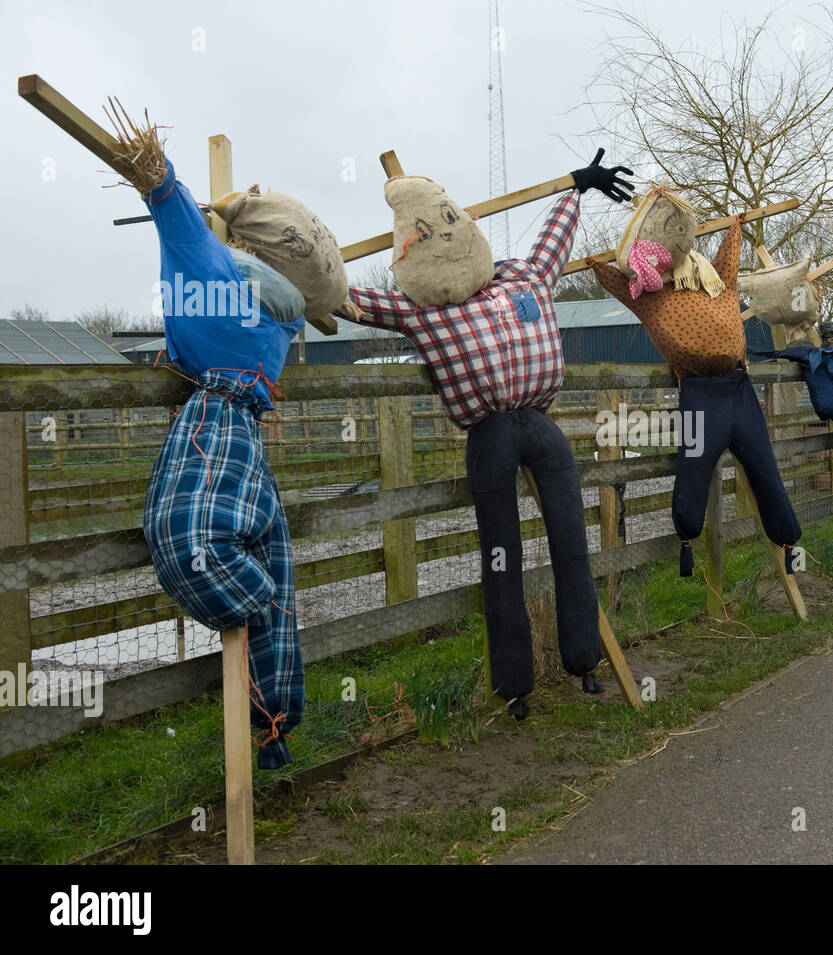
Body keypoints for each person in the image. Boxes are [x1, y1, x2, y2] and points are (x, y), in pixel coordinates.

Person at [345, 151, 634, 721]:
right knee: (501, 555)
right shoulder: (417, 308)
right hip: (490, 432)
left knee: (571, 541)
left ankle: (584, 658)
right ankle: (515, 683)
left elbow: (553, 242)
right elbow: (348, 300)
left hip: (542, 424)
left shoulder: (523, 278)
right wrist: (292, 265)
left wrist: (576, 188)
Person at [139, 156, 307, 769]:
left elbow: (186, 240)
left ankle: (270, 722)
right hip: (246, 434)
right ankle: (274, 724)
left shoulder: (226, 286)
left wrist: (161, 188)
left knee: (196, 535)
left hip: (223, 424)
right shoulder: (283, 314)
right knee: (275, 568)